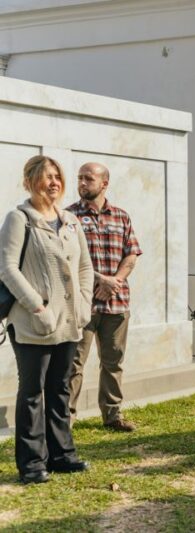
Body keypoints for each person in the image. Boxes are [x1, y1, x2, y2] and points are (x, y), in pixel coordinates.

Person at [0, 156, 93, 484]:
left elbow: (84, 266)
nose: (53, 182)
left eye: (57, 176)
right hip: (32, 323)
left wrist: (84, 304)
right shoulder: (18, 219)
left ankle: (62, 455)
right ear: (29, 181)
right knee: (32, 393)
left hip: (69, 321)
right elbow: (7, 268)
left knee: (60, 389)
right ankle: (32, 464)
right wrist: (37, 308)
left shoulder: (70, 221)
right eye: (45, 177)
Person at [67, 162, 142, 432]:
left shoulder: (121, 216)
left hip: (116, 304)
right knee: (73, 364)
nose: (82, 183)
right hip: (82, 303)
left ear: (104, 183)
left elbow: (131, 253)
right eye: (80, 178)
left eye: (88, 178)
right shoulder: (68, 216)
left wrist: (116, 282)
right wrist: (102, 280)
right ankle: (66, 419)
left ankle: (112, 416)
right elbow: (67, 259)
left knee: (113, 363)